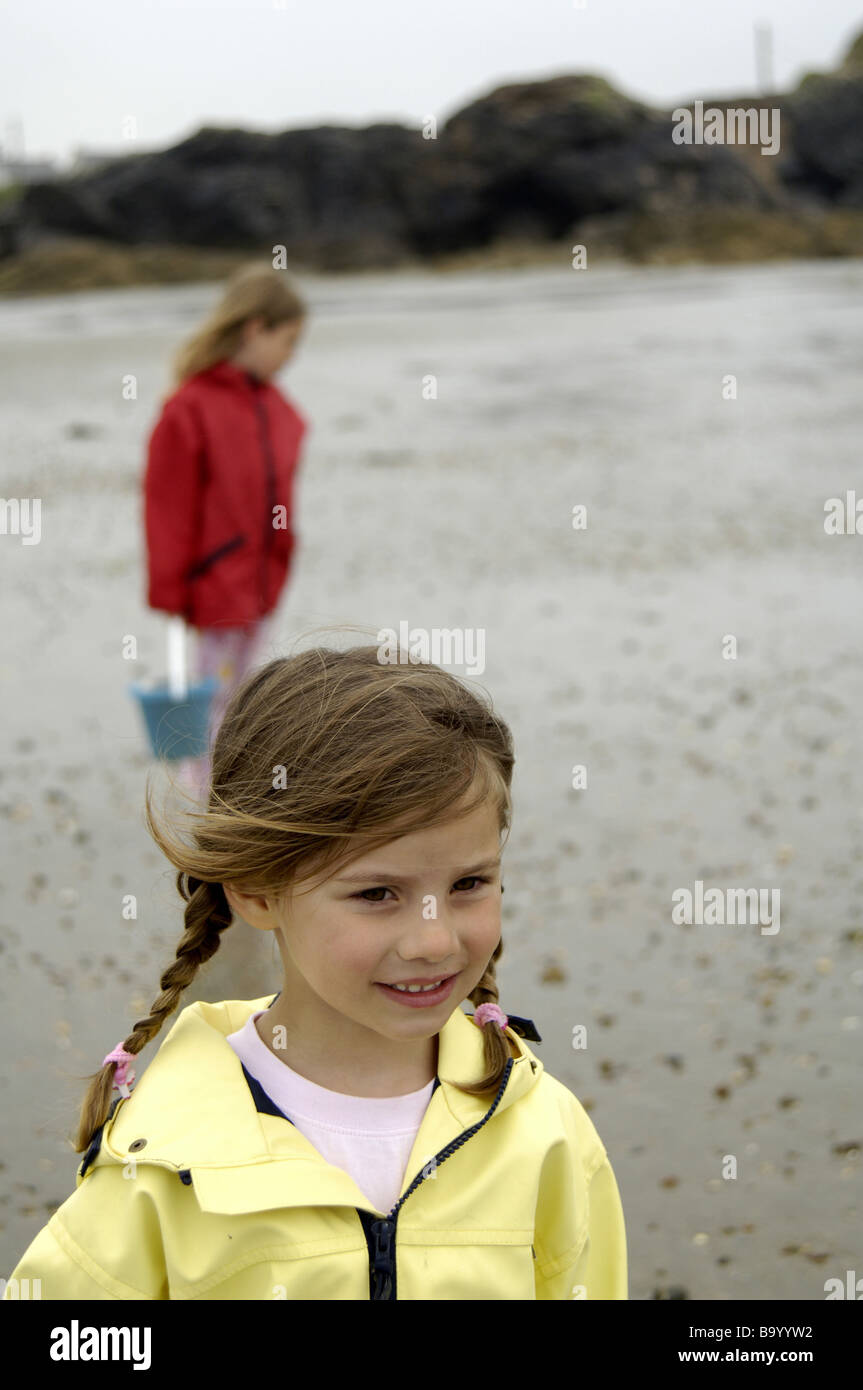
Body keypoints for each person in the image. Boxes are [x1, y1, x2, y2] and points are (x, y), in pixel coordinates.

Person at [3, 643, 627, 1300]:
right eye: (377, 894)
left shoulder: (543, 1133)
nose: (433, 940)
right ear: (256, 890)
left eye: (469, 882)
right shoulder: (160, 1160)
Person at [141, 261, 308, 797]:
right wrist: (170, 588)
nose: (290, 357)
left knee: (254, 696)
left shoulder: (276, 408)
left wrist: (283, 556)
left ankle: (244, 793)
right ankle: (209, 806)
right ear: (254, 328)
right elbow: (167, 505)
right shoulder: (190, 408)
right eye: (288, 341)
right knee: (211, 701)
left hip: (262, 579)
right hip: (212, 582)